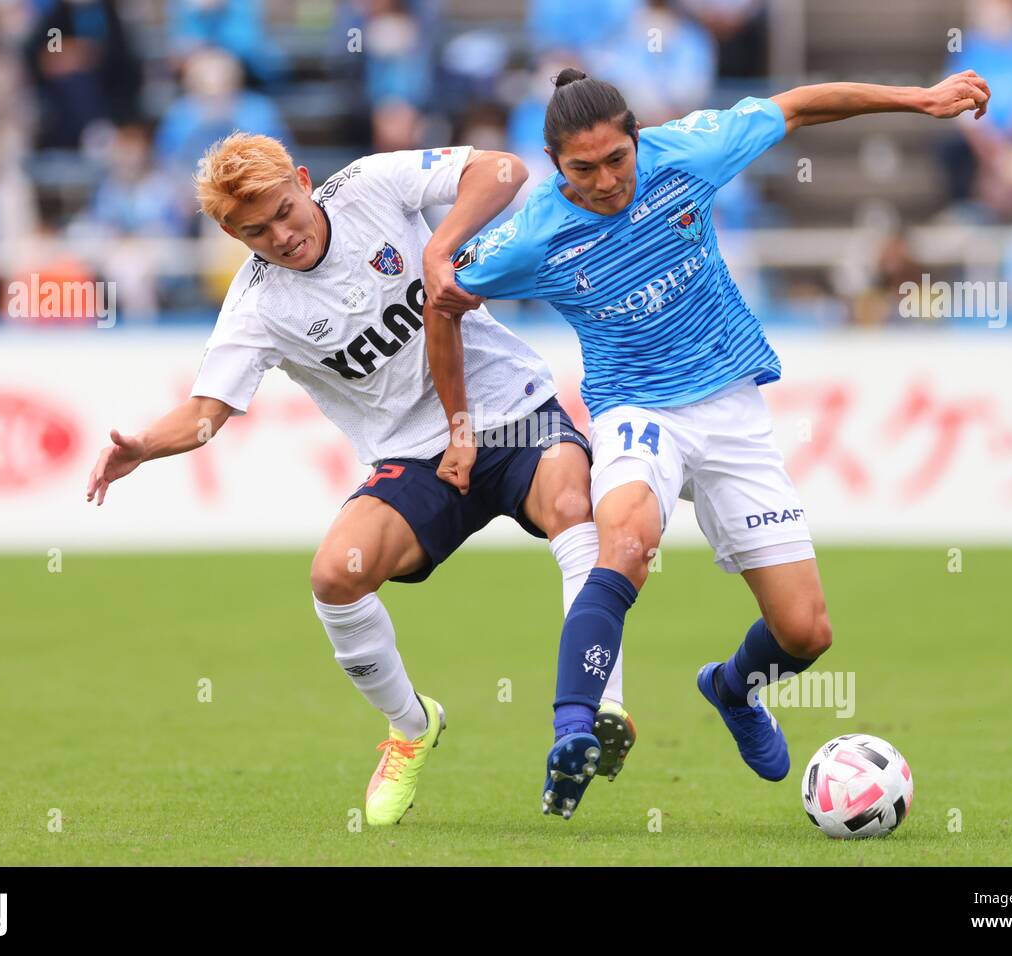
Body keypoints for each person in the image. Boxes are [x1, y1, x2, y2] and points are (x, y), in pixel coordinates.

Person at [440, 67, 991, 818]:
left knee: (805, 631)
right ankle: (574, 732)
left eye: (616, 160)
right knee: (625, 543)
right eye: (582, 169)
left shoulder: (688, 154)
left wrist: (919, 98)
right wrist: (460, 422)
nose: (604, 181)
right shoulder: (532, 232)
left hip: (731, 407)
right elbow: (442, 302)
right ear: (554, 164)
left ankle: (731, 688)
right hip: (636, 410)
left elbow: (798, 105)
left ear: (637, 139)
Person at [84, 132, 636, 825]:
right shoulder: (256, 306)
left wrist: (442, 248)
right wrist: (141, 445)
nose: (282, 235)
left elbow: (504, 169)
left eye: (286, 210)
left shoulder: (373, 184)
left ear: (305, 181)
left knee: (569, 502)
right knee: (334, 577)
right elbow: (205, 414)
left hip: (512, 410)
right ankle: (410, 726)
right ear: (230, 232)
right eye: (256, 231)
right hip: (414, 458)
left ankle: (596, 705)